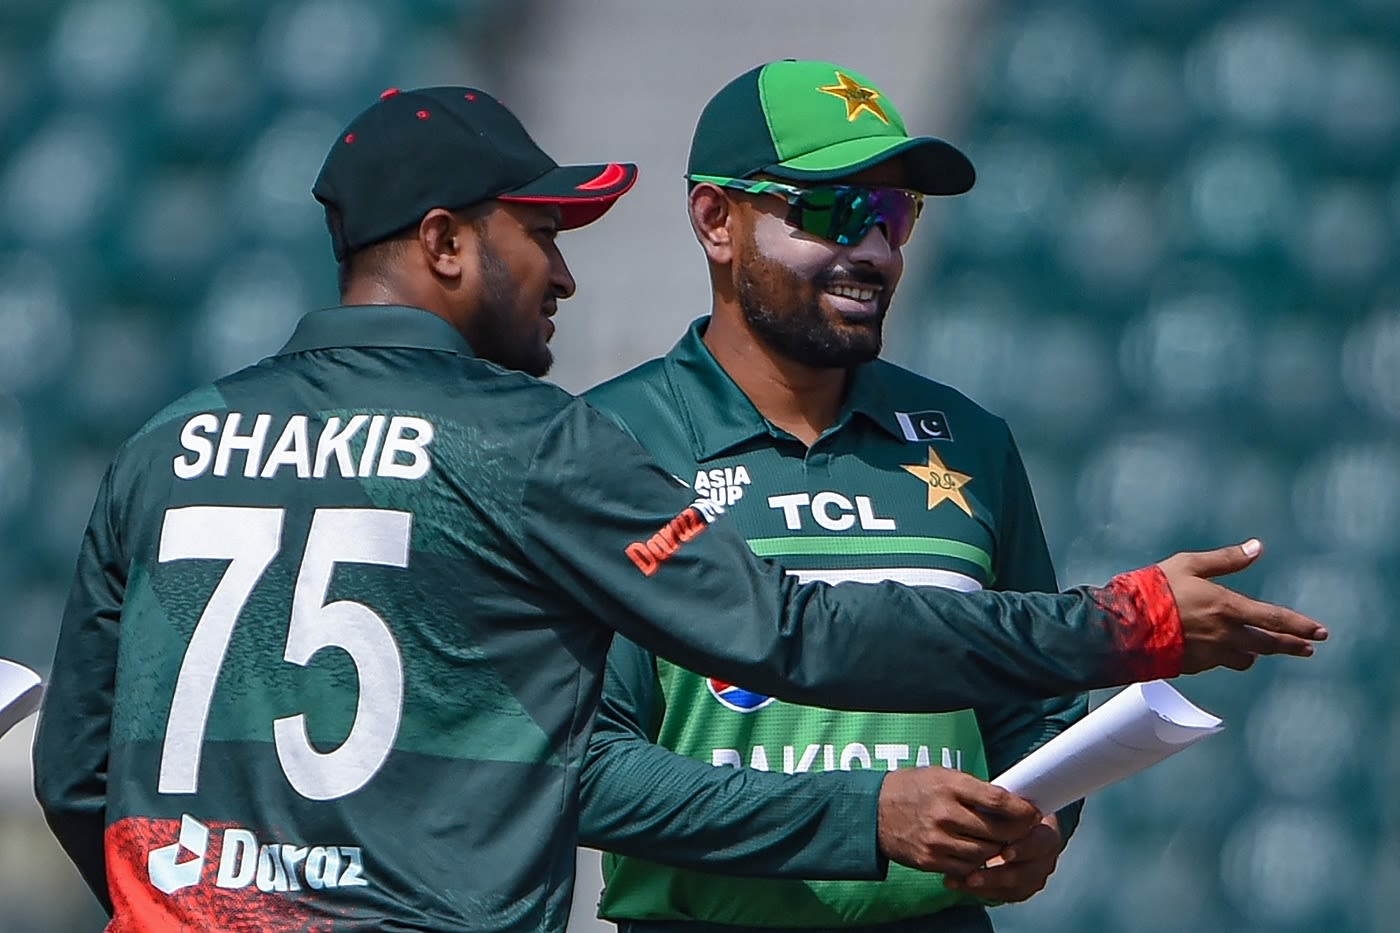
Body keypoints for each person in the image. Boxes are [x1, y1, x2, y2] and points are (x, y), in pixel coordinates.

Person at [32, 86, 1325, 933]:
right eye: (542, 231)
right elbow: (786, 638)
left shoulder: (169, 438)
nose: (567, 273)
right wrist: (1126, 620)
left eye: (896, 214)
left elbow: (82, 768)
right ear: (443, 246)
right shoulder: (535, 443)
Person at [575, 59, 1115, 932]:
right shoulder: (605, 445)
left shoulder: (971, 441)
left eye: (896, 214)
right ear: (717, 219)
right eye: (835, 210)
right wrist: (863, 817)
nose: (875, 250)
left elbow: (1038, 696)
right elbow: (585, 765)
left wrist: (1043, 819)